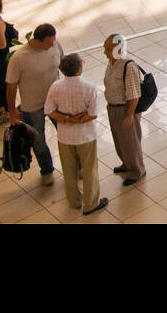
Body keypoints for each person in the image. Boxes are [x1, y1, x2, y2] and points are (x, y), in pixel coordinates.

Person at [44, 53, 107, 215]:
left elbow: (48, 110)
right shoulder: (89, 87)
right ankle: (90, 203)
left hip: (64, 137)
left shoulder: (55, 86)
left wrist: (66, 119)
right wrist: (78, 120)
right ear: (79, 69)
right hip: (85, 136)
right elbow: (93, 114)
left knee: (69, 170)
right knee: (89, 169)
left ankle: (74, 201)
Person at [6, 23, 62, 187]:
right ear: (37, 40)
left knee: (67, 133)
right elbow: (11, 87)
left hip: (56, 101)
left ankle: (77, 166)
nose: (52, 45)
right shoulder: (19, 58)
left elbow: (64, 64)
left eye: (53, 41)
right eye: (48, 42)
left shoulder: (55, 44)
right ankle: (47, 170)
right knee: (38, 140)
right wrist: (12, 112)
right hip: (33, 106)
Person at [103, 35, 145, 186]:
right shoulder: (111, 63)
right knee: (119, 141)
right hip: (113, 108)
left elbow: (134, 95)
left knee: (130, 142)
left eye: (108, 49)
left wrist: (129, 116)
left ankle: (136, 171)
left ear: (119, 49)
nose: (105, 52)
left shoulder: (128, 66)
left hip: (125, 110)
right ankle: (126, 163)